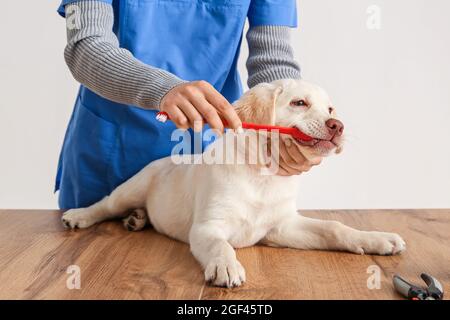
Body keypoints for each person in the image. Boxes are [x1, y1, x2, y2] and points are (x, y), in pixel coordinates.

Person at [55, 0, 321, 209]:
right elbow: (86, 46)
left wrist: (287, 130)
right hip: (112, 157)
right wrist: (163, 89)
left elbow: (272, 59)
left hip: (209, 159)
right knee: (97, 267)